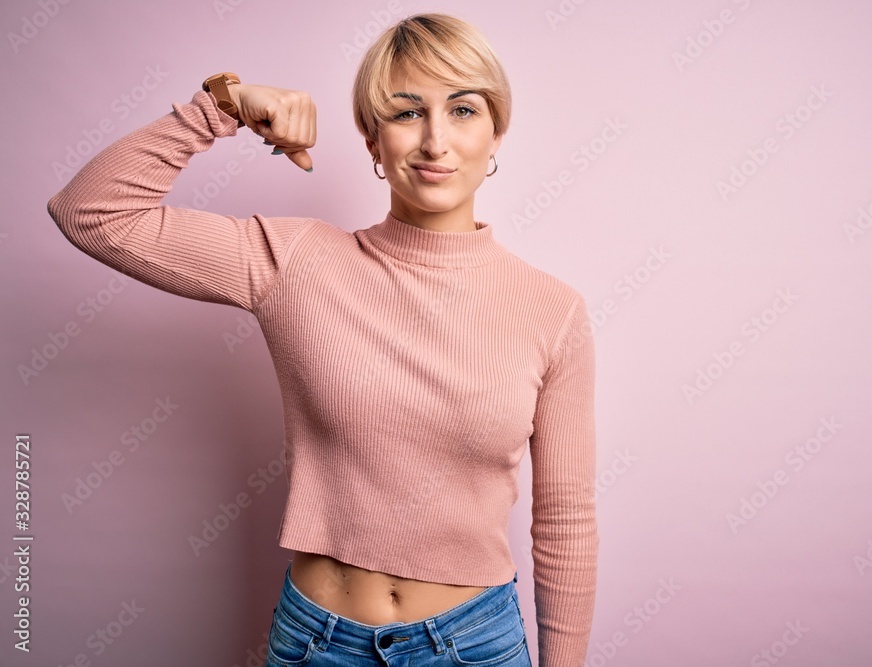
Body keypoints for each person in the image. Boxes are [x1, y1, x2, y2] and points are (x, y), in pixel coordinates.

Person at [47, 12, 598, 667]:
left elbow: (564, 518)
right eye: (405, 112)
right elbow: (91, 213)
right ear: (371, 141)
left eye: (462, 109)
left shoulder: (552, 310)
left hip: (474, 645)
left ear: (497, 132)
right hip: (318, 643)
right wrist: (220, 106)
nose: (435, 139)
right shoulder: (298, 261)